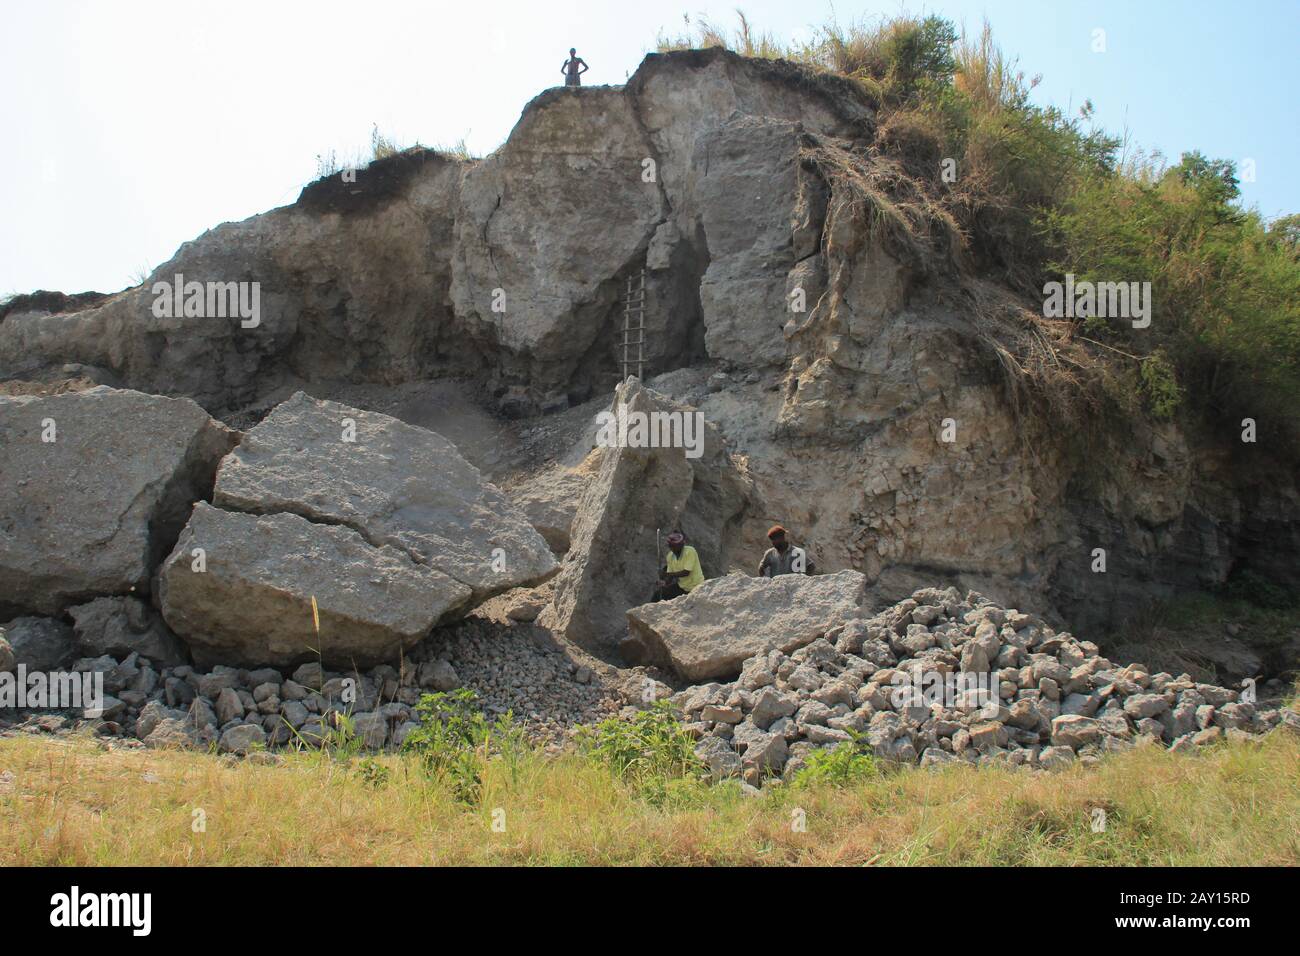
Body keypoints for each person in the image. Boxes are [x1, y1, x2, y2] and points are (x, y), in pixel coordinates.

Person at [653, 530, 704, 601]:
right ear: (671, 547)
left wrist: (666, 574)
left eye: (681, 545)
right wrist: (664, 582)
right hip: (682, 587)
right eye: (677, 546)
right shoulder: (670, 556)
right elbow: (670, 576)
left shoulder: (690, 551)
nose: (681, 547)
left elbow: (686, 572)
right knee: (657, 595)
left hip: (696, 586)